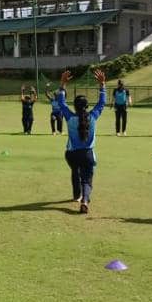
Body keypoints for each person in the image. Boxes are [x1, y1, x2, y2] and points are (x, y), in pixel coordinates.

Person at [55, 69, 106, 214]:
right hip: (87, 154)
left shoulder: (70, 117)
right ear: (87, 106)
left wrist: (63, 84)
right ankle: (84, 200)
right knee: (87, 180)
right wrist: (102, 85)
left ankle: (76, 195)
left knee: (75, 171)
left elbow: (61, 102)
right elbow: (102, 103)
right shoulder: (93, 117)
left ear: (75, 106)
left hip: (71, 155)